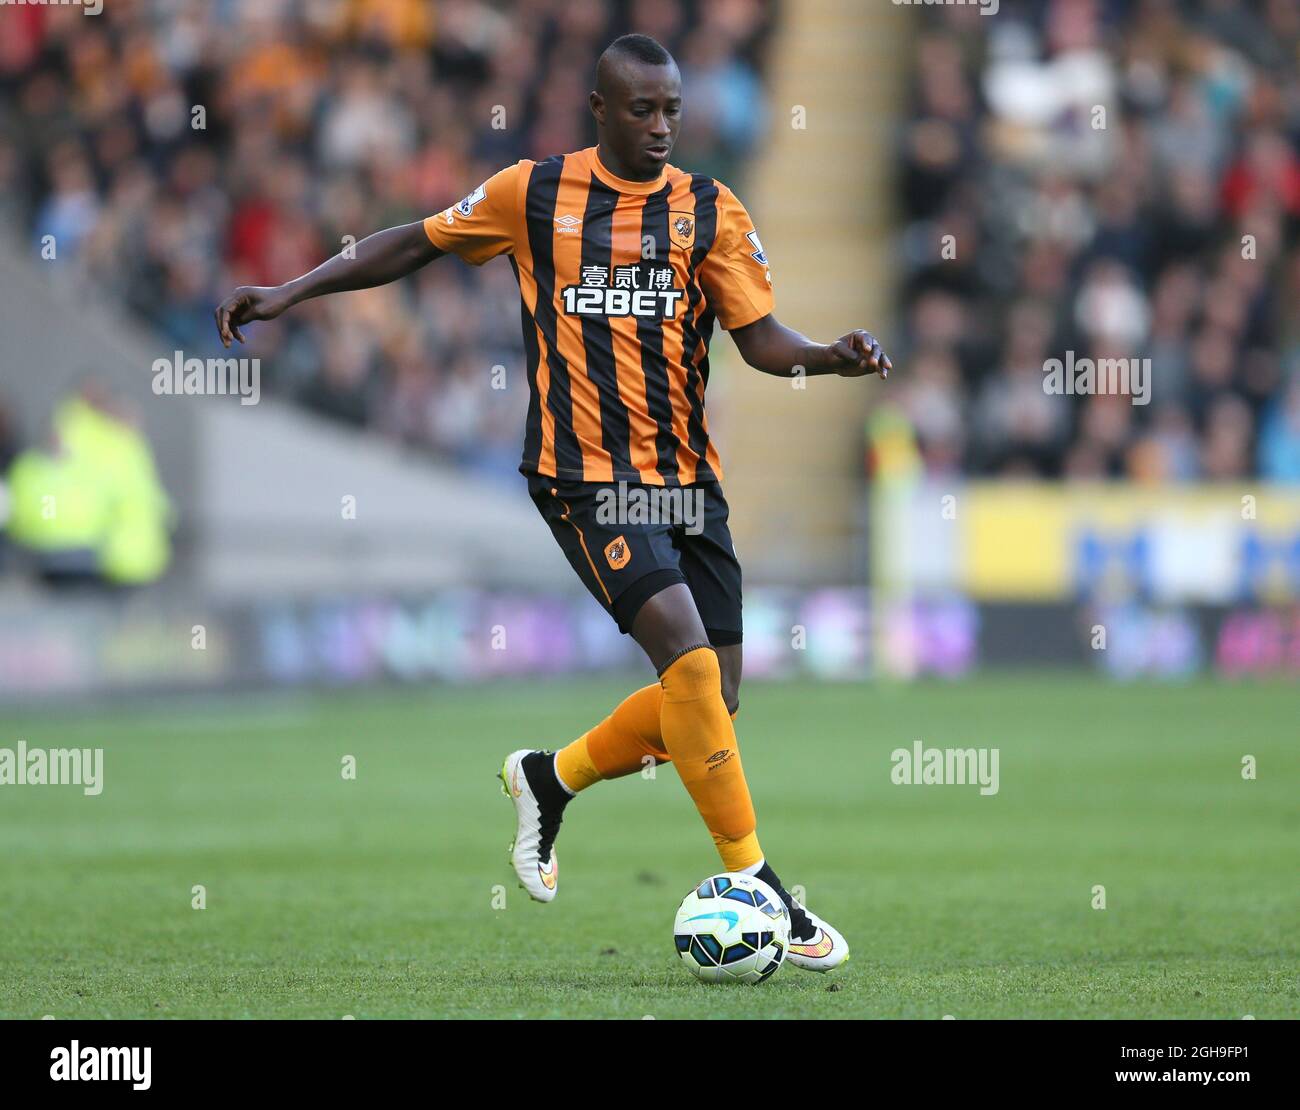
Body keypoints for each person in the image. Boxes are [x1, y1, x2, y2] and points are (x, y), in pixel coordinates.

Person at [216, 34, 891, 972]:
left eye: (672, 112)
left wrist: (828, 356)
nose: (660, 128)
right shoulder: (531, 194)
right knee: (690, 669)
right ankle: (765, 885)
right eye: (642, 110)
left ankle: (552, 777)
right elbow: (414, 241)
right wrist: (291, 293)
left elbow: (760, 338)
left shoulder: (709, 210)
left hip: (687, 482)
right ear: (601, 109)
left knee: (712, 710)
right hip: (586, 477)